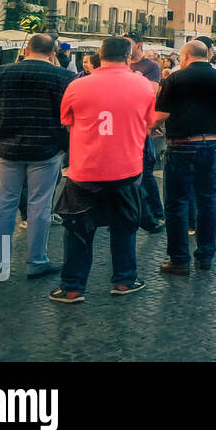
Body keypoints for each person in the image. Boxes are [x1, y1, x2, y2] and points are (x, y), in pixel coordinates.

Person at [51, 37, 156, 302]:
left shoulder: (77, 85)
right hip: (127, 169)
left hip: (85, 170)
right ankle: (124, 280)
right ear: (129, 56)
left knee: (78, 231)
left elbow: (67, 120)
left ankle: (72, 287)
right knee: (124, 227)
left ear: (100, 55)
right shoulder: (143, 85)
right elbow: (150, 122)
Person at [0, 33, 76, 281]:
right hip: (46, 149)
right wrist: (64, 147)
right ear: (53, 53)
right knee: (40, 207)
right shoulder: (65, 77)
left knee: (5, 206)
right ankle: (36, 261)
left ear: (26, 49)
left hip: (7, 148)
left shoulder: (0, 73)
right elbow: (69, 118)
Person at [154, 41, 216, 274]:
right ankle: (205, 257)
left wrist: (152, 126)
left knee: (177, 203)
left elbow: (161, 113)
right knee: (208, 201)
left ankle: (179, 260)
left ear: (186, 55)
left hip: (181, 146)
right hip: (211, 146)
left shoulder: (175, 79)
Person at [125, 33, 165, 232]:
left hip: (142, 126)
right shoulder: (122, 64)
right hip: (125, 127)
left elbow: (151, 93)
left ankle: (156, 213)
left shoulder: (151, 67)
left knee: (146, 172)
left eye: (128, 44)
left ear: (138, 45)